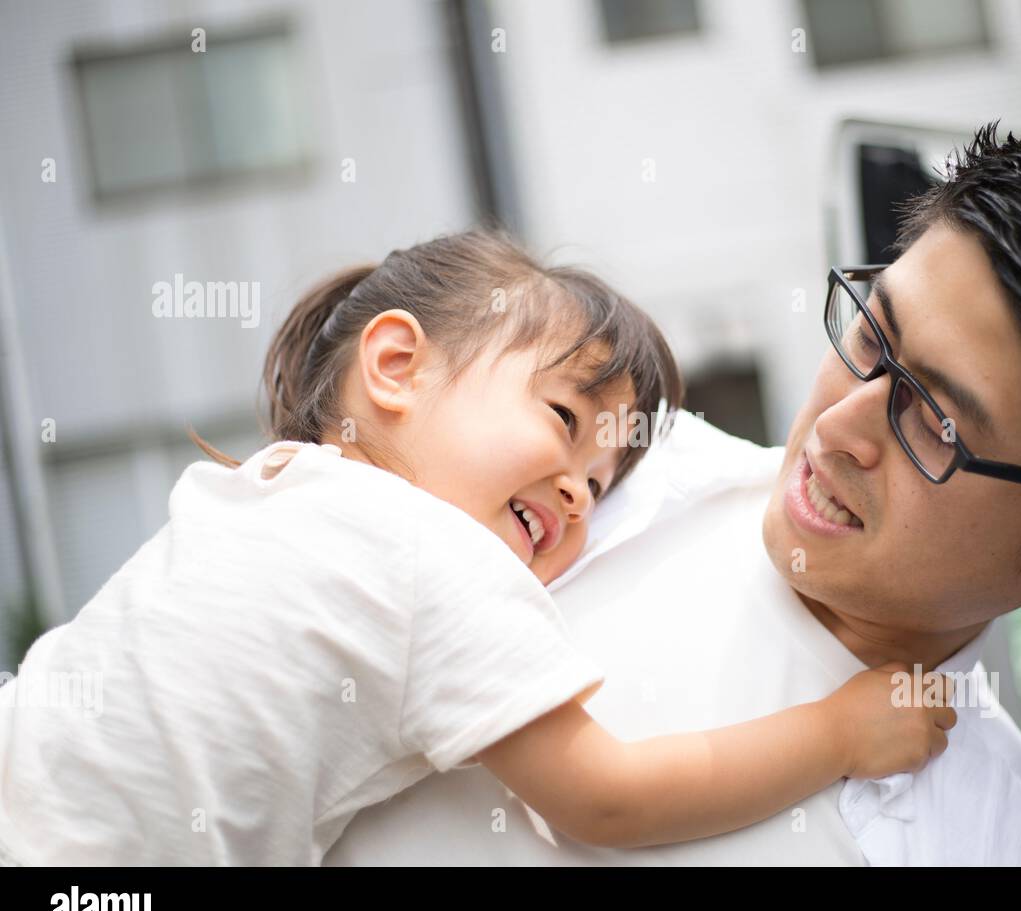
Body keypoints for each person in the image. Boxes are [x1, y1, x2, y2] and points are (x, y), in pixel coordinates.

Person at [325, 114, 1021, 866]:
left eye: (938, 422)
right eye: (871, 339)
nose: (837, 426)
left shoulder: (981, 844)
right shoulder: (585, 472)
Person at [0, 230, 959, 866]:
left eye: (598, 481)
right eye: (563, 417)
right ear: (396, 366)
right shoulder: (437, 565)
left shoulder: (267, 485)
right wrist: (837, 733)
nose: (579, 491)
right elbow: (611, 797)